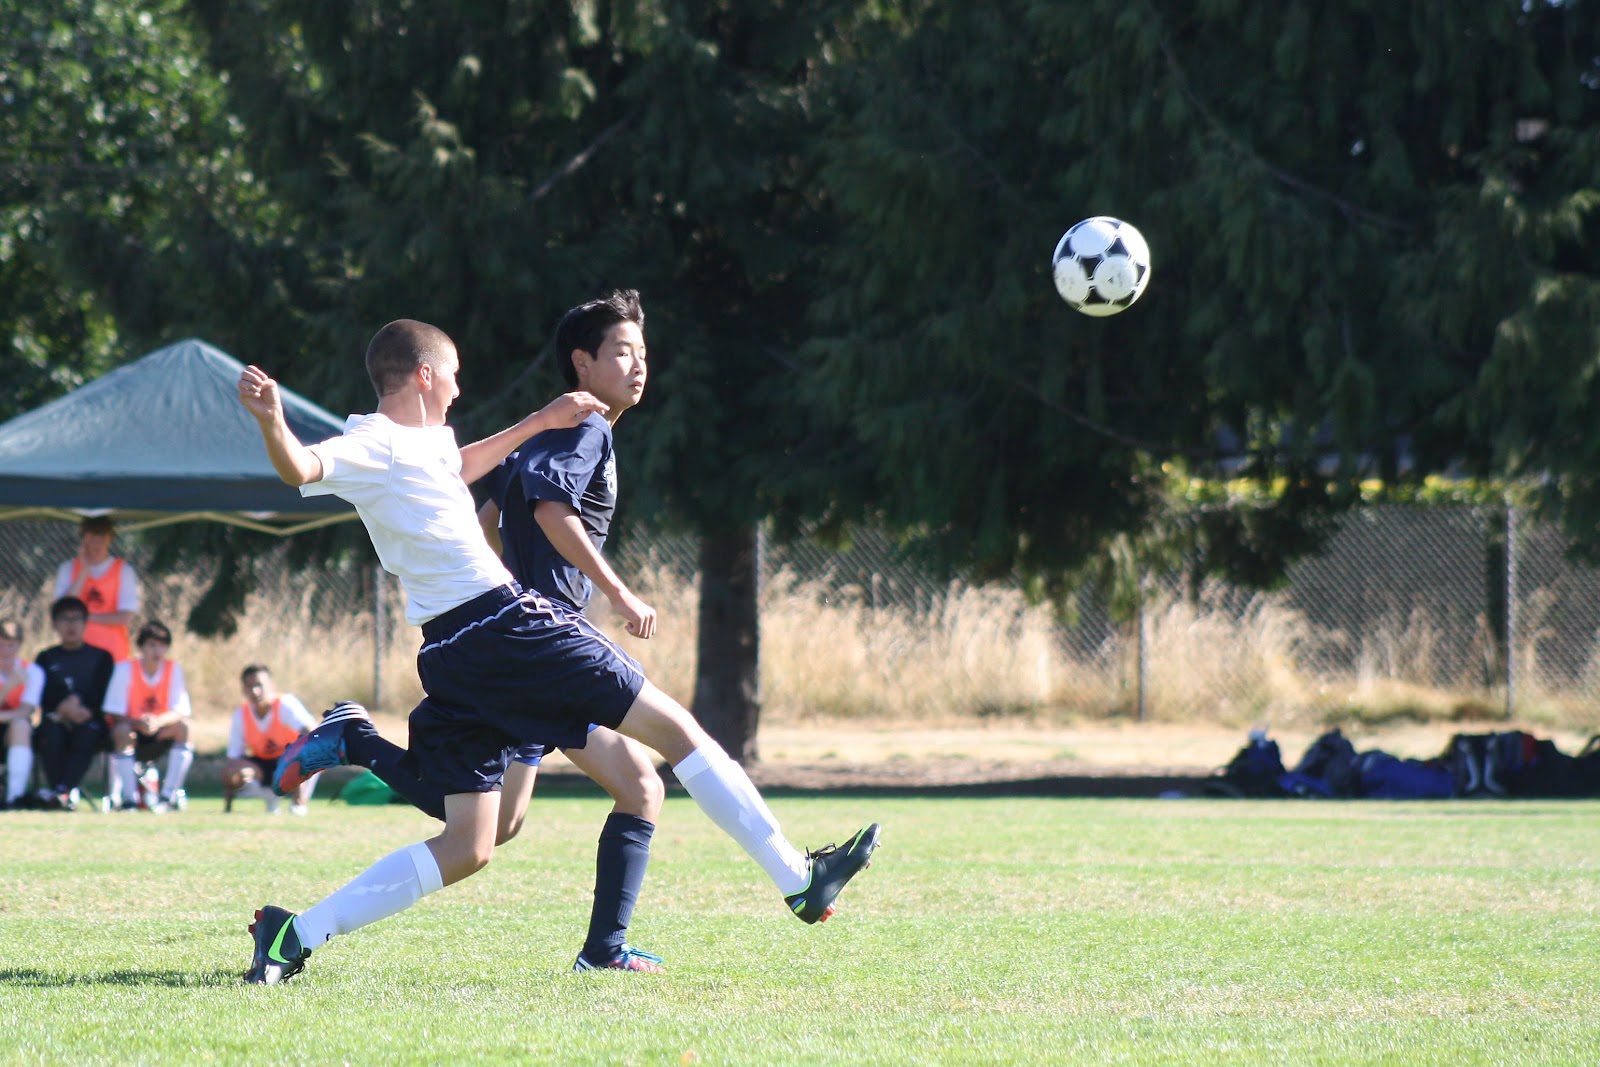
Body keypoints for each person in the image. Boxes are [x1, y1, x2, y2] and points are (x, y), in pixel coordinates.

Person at [236, 318, 880, 985]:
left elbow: (457, 467)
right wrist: (271, 420)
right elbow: (303, 466)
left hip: (452, 653)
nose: (459, 387)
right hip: (506, 625)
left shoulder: (426, 445)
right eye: (453, 372)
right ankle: (797, 877)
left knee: (470, 844)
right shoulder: (373, 442)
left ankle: (297, 931)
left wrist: (540, 418)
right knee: (677, 731)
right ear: (425, 375)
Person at [346, 291, 669, 972]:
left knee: (493, 826)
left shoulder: (550, 435)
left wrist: (492, 599)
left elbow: (486, 516)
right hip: (541, 649)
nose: (639, 366)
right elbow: (552, 513)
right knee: (640, 785)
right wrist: (613, 593)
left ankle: (358, 742)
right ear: (582, 362)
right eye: (623, 352)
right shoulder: (585, 430)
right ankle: (604, 951)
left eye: (643, 352)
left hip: (514, 640)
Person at [18, 597, 116, 810]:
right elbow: (41, 694)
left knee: (87, 734)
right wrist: (62, 709)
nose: (71, 625)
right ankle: (59, 792)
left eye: (76, 619)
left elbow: (105, 694)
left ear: (86, 622)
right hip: (56, 718)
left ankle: (62, 791)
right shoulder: (46, 658)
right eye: (64, 619)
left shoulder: (102, 658)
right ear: (54, 624)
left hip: (90, 721)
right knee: (49, 733)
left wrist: (83, 708)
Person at [101, 620, 194, 812]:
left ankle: (168, 795)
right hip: (132, 731)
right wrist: (138, 723)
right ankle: (129, 799)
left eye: (161, 645)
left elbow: (181, 710)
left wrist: (158, 722)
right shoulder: (124, 669)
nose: (157, 650)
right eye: (152, 644)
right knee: (121, 732)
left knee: (186, 728)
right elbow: (114, 710)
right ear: (141, 647)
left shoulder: (173, 669)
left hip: (160, 732)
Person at [222, 664, 319, 816]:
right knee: (236, 772)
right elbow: (234, 758)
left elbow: (311, 732)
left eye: (259, 685)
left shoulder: (285, 704)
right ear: (243, 690)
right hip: (262, 765)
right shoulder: (241, 714)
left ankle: (299, 802)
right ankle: (270, 796)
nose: (255, 692)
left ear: (271, 685)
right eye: (249, 686)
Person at [53, 515, 141, 663]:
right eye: (92, 537)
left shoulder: (124, 570)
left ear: (110, 539)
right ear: (83, 539)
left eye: (102, 537)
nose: (96, 543)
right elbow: (62, 609)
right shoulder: (68, 569)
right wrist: (83, 572)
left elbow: (125, 616)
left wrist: (85, 617)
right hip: (74, 652)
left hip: (112, 654)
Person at [0, 619, 35, 809]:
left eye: (11, 645)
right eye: (1, 645)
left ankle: (15, 797)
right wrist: (9, 687)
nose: (6, 651)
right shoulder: (17, 678)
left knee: (21, 725)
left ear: (20, 645)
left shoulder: (32, 672)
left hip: (12, 731)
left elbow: (25, 711)